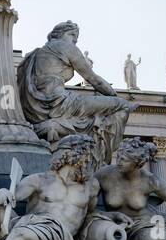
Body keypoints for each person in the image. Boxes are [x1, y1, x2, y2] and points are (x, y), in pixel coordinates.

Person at [17, 21, 134, 165]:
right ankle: (102, 157)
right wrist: (115, 98)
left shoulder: (35, 54)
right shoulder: (65, 47)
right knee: (122, 106)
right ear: (60, 34)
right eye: (73, 35)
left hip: (35, 110)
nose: (75, 40)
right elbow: (94, 80)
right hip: (61, 104)